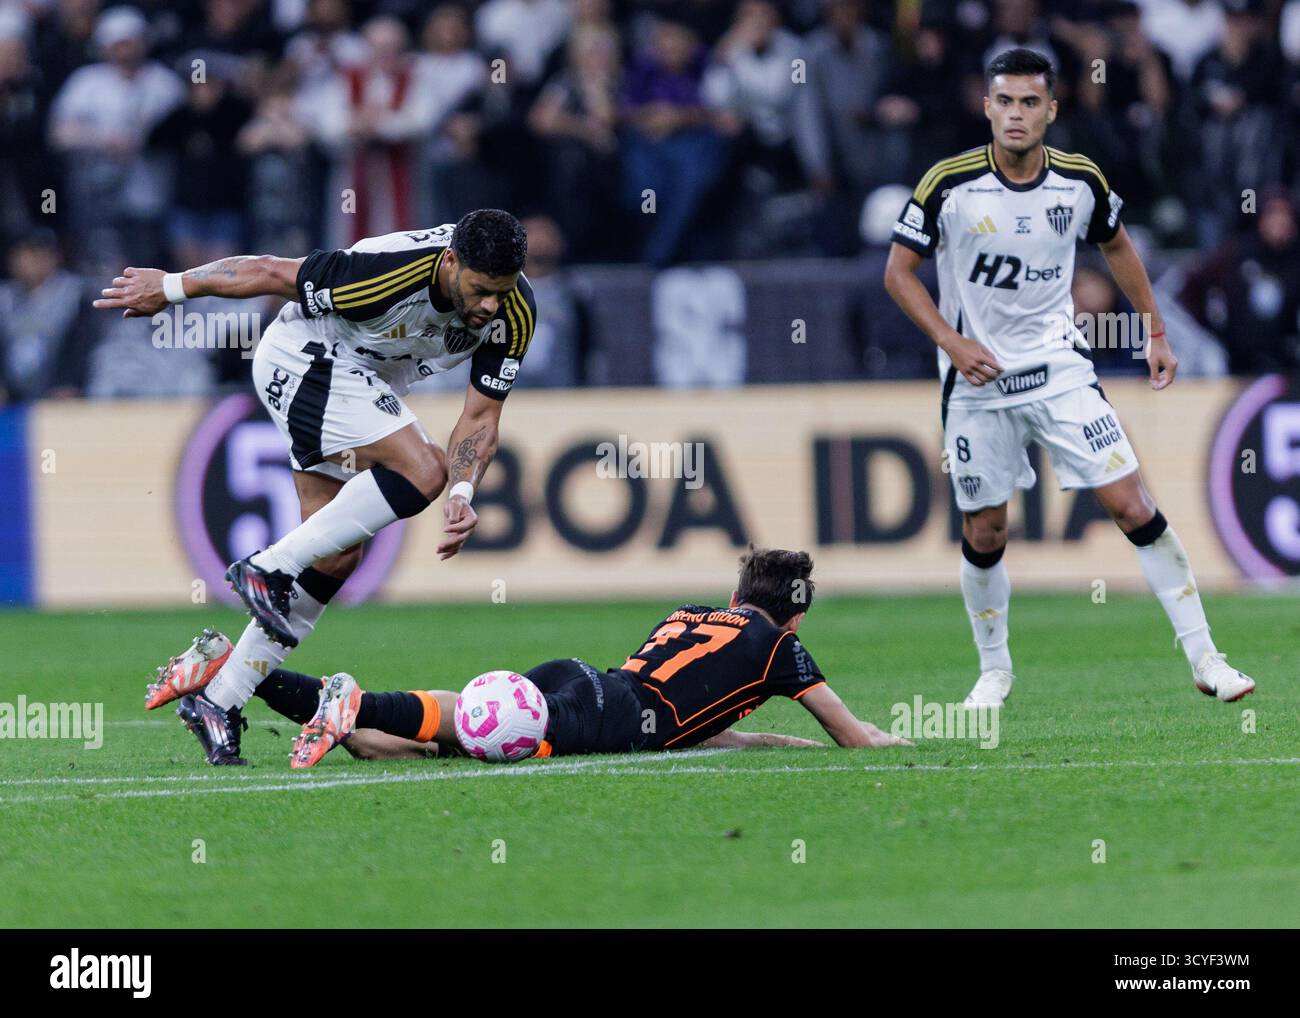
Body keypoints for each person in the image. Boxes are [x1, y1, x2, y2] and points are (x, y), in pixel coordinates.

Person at [883, 48, 1255, 708]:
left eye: (1030, 102)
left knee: (1132, 504)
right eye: (1005, 101)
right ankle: (994, 670)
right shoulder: (949, 182)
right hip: (976, 382)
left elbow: (1117, 244)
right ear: (987, 106)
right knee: (986, 530)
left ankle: (1205, 656)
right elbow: (897, 273)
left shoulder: (1078, 180)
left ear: (1051, 110)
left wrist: (1155, 330)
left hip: (1059, 370)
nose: (1016, 114)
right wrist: (951, 341)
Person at [96, 209, 537, 764]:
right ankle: (266, 566)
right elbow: (270, 272)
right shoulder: (389, 271)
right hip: (303, 356)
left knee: (333, 560)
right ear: (451, 261)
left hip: (360, 380)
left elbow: (480, 419)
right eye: (480, 290)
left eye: (501, 291)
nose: (490, 306)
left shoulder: (514, 311)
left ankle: (220, 699)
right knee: (424, 470)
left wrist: (464, 494)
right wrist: (172, 287)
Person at [144, 548, 910, 765]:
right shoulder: (779, 647)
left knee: (395, 749)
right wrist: (894, 740)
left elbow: (693, 724)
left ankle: (235, 672)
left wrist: (769, 742)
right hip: (597, 714)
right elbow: (855, 735)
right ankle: (346, 697)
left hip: (584, 687)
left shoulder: (693, 614)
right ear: (795, 614)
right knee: (441, 721)